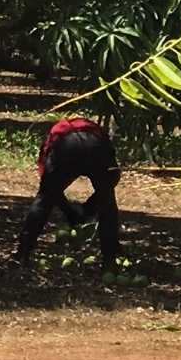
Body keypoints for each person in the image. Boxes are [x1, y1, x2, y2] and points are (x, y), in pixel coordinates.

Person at [20, 112, 122, 269]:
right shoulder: (98, 133)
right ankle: (110, 258)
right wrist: (89, 207)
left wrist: (72, 212)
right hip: (95, 146)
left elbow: (47, 188)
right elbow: (113, 176)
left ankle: (23, 253)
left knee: (44, 200)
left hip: (66, 147)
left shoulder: (54, 137)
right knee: (107, 202)